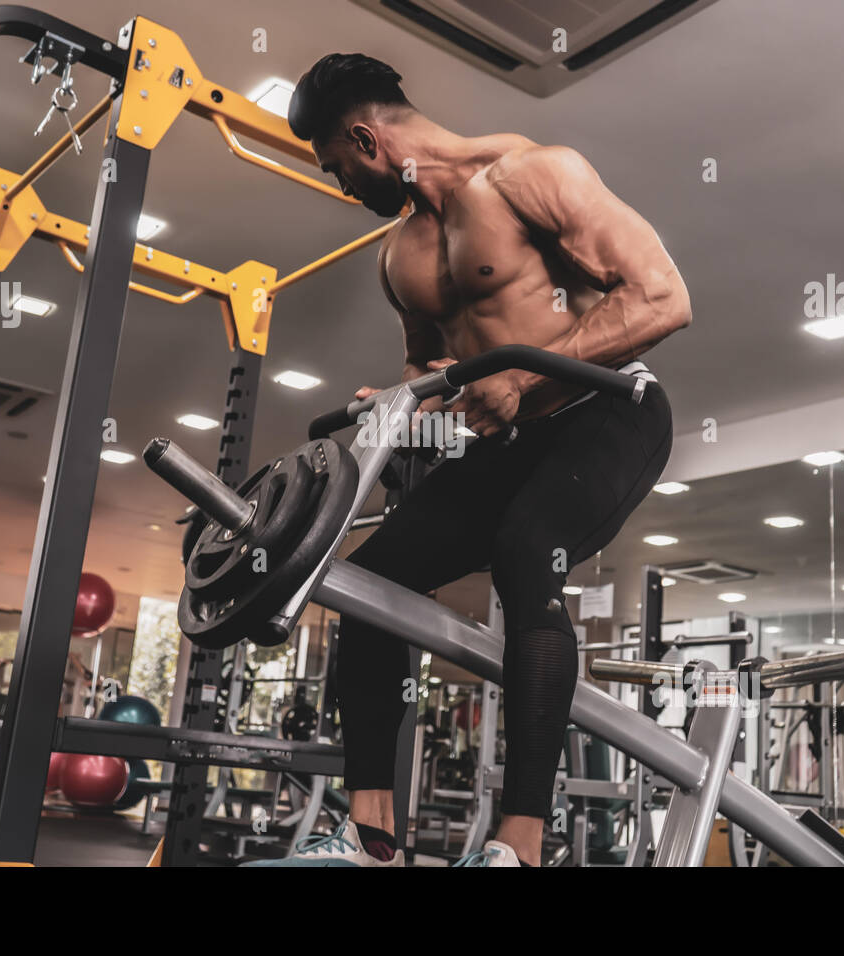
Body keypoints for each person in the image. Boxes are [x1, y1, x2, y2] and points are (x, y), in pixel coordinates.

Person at [254, 53, 691, 867]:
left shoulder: (533, 173)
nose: (341, 185)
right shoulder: (399, 257)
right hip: (511, 439)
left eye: (337, 168)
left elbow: (664, 295)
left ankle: (518, 847)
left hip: (608, 411)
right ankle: (371, 837)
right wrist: (401, 397)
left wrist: (524, 376)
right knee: (368, 585)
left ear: (364, 137)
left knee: (529, 549)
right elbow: (444, 377)